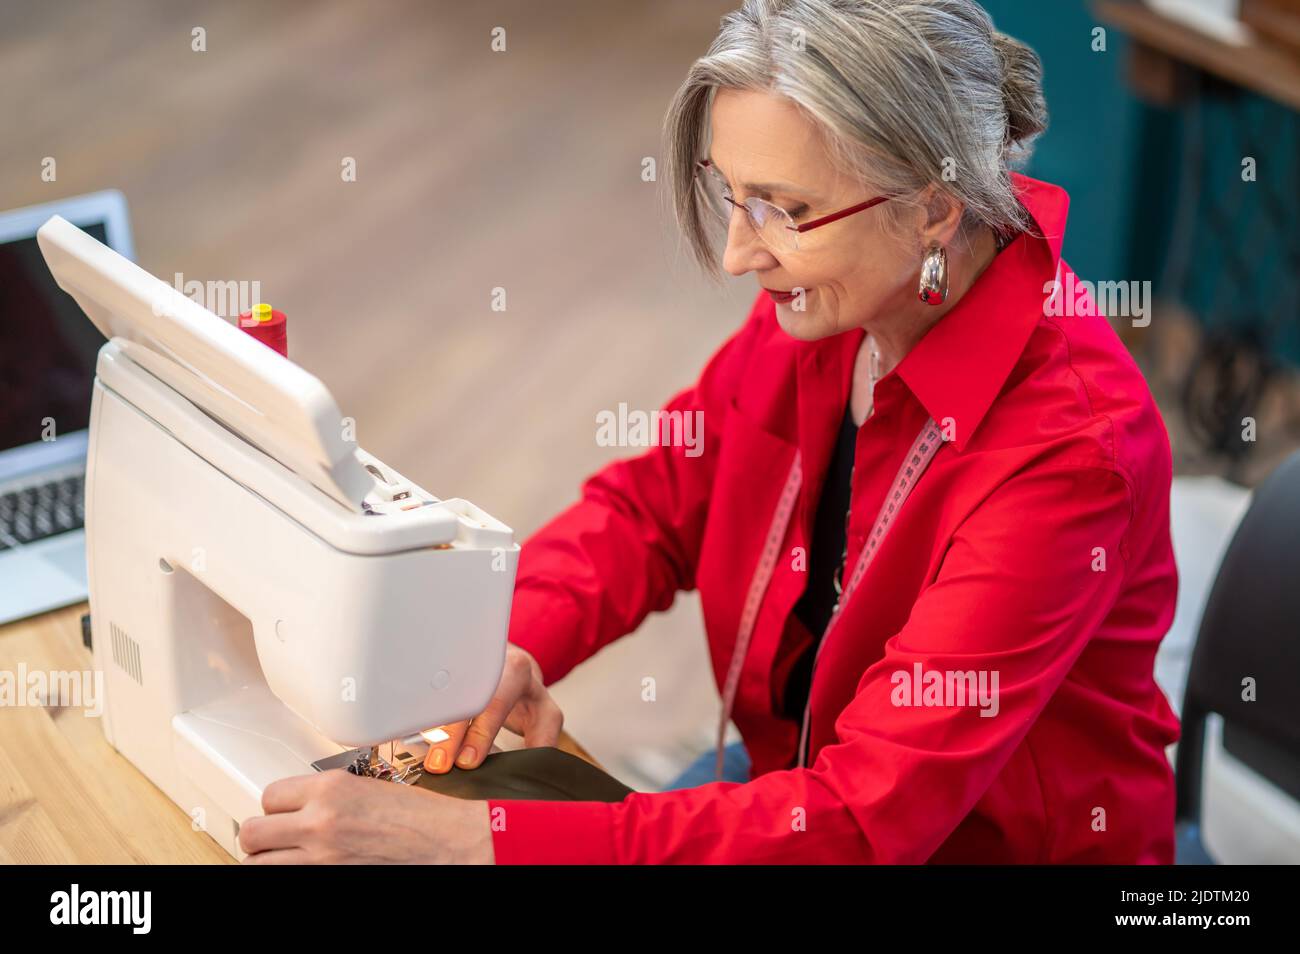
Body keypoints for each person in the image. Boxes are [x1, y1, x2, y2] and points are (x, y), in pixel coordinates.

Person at [240, 0, 1180, 864]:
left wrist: (469, 843)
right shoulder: (831, 303)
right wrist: (506, 644)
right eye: (731, 194)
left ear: (934, 209)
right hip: (789, 793)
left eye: (787, 210)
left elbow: (859, 819)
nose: (739, 253)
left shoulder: (1071, 455)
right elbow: (654, 507)